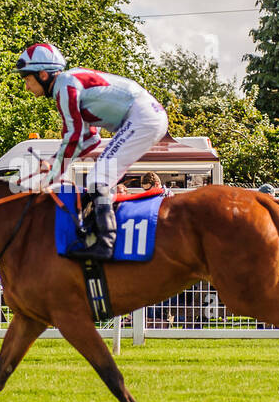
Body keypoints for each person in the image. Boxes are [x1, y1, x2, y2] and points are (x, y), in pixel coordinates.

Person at [15, 41, 168, 260]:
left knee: (99, 177)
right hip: (144, 116)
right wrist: (53, 161)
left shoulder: (64, 87)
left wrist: (51, 177)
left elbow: (74, 136)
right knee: (98, 177)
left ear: (43, 75)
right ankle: (96, 232)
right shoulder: (68, 84)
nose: (27, 87)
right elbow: (90, 139)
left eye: (27, 79)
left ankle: (105, 242)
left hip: (142, 117)